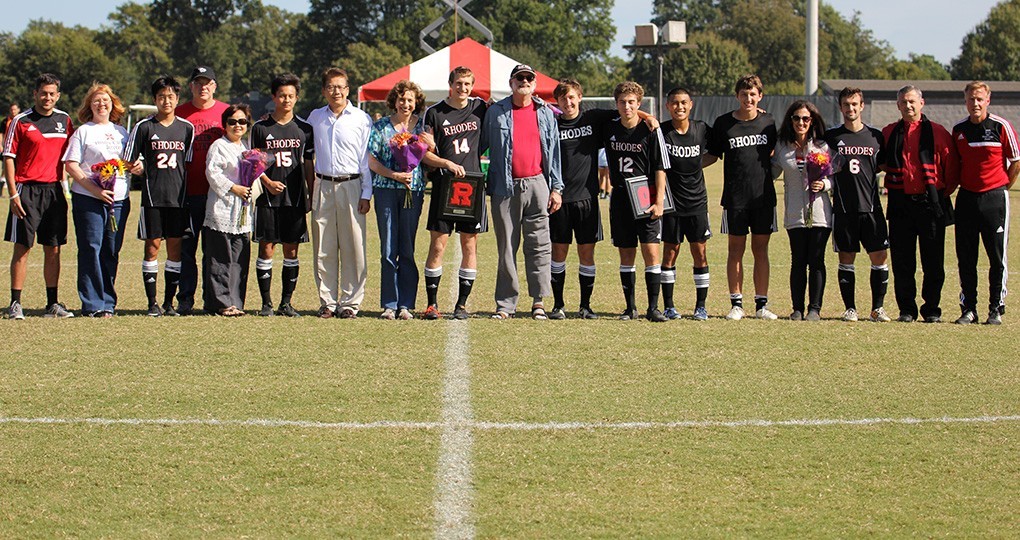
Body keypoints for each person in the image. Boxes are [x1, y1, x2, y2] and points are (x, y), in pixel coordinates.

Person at [550, 78, 654, 320]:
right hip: (559, 199)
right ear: (558, 101)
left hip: (587, 198)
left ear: (580, 98)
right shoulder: (552, 124)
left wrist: (648, 117)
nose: (568, 102)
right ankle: (558, 305)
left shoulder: (594, 118)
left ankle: (585, 306)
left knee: (587, 253)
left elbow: (628, 109)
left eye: (572, 97)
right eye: (563, 98)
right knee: (558, 252)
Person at [369, 80, 460, 320]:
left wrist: (439, 155)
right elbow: (372, 161)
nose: (405, 104)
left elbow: (430, 156)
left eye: (410, 100)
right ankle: (389, 303)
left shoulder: (423, 128)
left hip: (414, 190)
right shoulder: (380, 127)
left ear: (416, 102)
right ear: (394, 101)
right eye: (401, 99)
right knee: (388, 248)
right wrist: (394, 174)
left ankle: (406, 304)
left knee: (407, 247)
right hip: (386, 190)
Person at [481, 64, 563, 319]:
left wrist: (556, 188)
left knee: (539, 246)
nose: (524, 82)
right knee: (507, 246)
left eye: (529, 78)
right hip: (504, 187)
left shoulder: (546, 113)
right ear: (511, 82)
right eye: (520, 78)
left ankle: (538, 301)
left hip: (538, 184)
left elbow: (555, 152)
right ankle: (506, 304)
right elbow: (478, 146)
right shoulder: (495, 112)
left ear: (535, 84)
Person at [705, 74, 779, 320]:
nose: (748, 98)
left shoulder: (768, 122)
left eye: (753, 94)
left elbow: (776, 154)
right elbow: (712, 155)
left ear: (760, 96)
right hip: (735, 199)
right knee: (735, 250)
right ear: (737, 96)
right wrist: (684, 166)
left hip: (763, 198)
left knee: (761, 250)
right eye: (744, 94)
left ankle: (761, 305)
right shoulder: (724, 123)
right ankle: (736, 304)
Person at [881, 85, 958, 323]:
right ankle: (907, 309)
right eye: (904, 102)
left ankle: (932, 309)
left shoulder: (938, 132)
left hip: (929, 203)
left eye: (912, 101)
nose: (908, 106)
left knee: (933, 261)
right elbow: (880, 162)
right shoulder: (889, 132)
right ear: (898, 105)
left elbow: (952, 169)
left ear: (921, 103)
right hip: (900, 202)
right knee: (903, 261)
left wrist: (940, 195)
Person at [3, 73, 74, 319]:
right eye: (43, 93)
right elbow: (8, 158)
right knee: (22, 248)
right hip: (26, 191)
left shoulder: (64, 120)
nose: (47, 97)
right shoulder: (20, 121)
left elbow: (72, 155)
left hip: (54, 191)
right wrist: (13, 194)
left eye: (52, 93)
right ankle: (15, 303)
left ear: (58, 96)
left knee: (53, 249)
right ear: (35, 94)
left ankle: (52, 304)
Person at [950, 81, 1020, 325]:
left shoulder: (1001, 126)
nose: (975, 103)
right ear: (965, 101)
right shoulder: (958, 130)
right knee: (966, 257)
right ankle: (969, 308)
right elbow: (956, 165)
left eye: (980, 99)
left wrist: (1001, 187)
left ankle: (995, 308)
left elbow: (1015, 161)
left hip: (995, 200)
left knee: (996, 256)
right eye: (971, 99)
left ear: (988, 100)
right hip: (967, 198)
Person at [126, 76, 195, 317]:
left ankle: (169, 303)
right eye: (161, 97)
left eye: (171, 96)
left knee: (175, 250)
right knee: (152, 248)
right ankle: (152, 303)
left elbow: (187, 164)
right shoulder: (144, 127)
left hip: (177, 200)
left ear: (177, 99)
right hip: (152, 198)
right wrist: (137, 168)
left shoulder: (187, 128)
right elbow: (129, 160)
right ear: (154, 99)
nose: (166, 101)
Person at [601, 81, 670, 322]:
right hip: (620, 196)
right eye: (623, 102)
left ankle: (653, 308)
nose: (627, 106)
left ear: (639, 104)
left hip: (645, 195)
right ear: (616, 104)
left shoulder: (650, 131)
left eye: (632, 102)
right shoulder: (609, 128)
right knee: (626, 254)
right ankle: (630, 308)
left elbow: (661, 168)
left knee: (651, 253)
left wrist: (659, 202)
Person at [307, 67, 372, 319]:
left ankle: (350, 302)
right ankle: (327, 301)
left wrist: (366, 192)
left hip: (352, 185)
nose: (337, 91)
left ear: (348, 89)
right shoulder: (314, 118)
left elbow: (366, 158)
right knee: (324, 245)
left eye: (342, 87)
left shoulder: (361, 119)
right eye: (332, 87)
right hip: (322, 185)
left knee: (353, 246)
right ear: (324, 90)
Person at [62, 83, 131, 317]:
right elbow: (71, 165)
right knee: (91, 248)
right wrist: (95, 189)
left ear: (113, 104)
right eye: (97, 101)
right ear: (89, 105)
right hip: (88, 200)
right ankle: (92, 303)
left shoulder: (122, 132)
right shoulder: (84, 131)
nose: (102, 104)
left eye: (106, 100)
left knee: (111, 250)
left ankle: (108, 302)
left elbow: (130, 163)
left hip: (119, 200)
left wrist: (138, 167)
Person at [249, 73, 314, 318]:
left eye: (291, 96)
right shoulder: (260, 128)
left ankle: (286, 303)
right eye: (281, 95)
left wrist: (310, 193)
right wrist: (266, 182)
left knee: (292, 250)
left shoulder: (305, 129)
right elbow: (253, 162)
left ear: (297, 98)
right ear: (274, 97)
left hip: (294, 197)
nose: (286, 100)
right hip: (267, 198)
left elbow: (308, 164)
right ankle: (266, 303)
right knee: (266, 248)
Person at [824, 87, 891, 323]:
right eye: (846, 104)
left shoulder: (875, 136)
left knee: (880, 256)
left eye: (854, 104)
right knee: (846, 258)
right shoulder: (831, 137)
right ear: (840, 107)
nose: (850, 108)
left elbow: (882, 167)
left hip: (872, 208)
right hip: (843, 208)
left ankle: (877, 309)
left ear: (862, 106)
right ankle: (850, 308)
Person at [421, 66, 483, 320]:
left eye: (467, 84)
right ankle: (432, 304)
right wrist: (445, 163)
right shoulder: (434, 112)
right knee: (438, 245)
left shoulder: (481, 108)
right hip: (444, 186)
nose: (463, 88)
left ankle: (462, 304)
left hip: (472, 186)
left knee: (469, 245)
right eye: (459, 83)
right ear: (450, 84)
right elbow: (423, 153)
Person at [175, 66, 229, 315]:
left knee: (213, 251)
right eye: (198, 83)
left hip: (216, 195)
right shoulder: (179, 113)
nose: (203, 87)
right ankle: (185, 299)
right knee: (187, 250)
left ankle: (212, 300)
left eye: (208, 83)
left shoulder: (226, 112)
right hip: (186, 192)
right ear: (191, 86)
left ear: (215, 86)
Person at [773, 100, 833, 321]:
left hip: (819, 212)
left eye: (806, 118)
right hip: (795, 213)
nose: (801, 122)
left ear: (813, 121)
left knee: (817, 260)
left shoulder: (823, 146)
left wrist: (825, 185)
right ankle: (797, 308)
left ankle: (814, 309)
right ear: (790, 120)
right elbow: (771, 173)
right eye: (796, 118)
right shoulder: (782, 146)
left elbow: (835, 177)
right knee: (798, 260)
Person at [660, 87, 713, 321]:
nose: (679, 107)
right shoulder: (661, 131)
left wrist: (695, 165)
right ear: (667, 106)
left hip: (697, 202)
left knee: (699, 253)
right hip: (671, 204)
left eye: (683, 103)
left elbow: (717, 151)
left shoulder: (701, 129)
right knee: (670, 253)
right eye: (674, 103)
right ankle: (669, 306)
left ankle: (700, 307)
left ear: (691, 104)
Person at [203, 104, 253, 316]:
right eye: (233, 121)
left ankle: (235, 300)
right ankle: (221, 302)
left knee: (239, 260)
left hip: (241, 212)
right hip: (221, 208)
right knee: (220, 258)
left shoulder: (245, 148)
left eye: (242, 122)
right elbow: (212, 173)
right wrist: (234, 188)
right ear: (225, 124)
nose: (237, 125)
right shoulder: (218, 146)